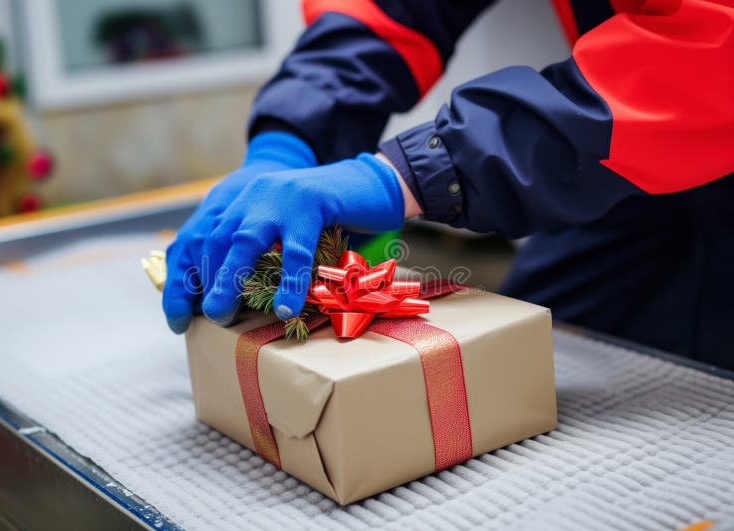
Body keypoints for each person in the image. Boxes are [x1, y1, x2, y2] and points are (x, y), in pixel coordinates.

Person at [162, 0, 734, 368]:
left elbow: (712, 50)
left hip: (690, 120)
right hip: (625, 163)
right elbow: (385, 11)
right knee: (521, 357)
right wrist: (288, 140)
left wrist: (406, 175)